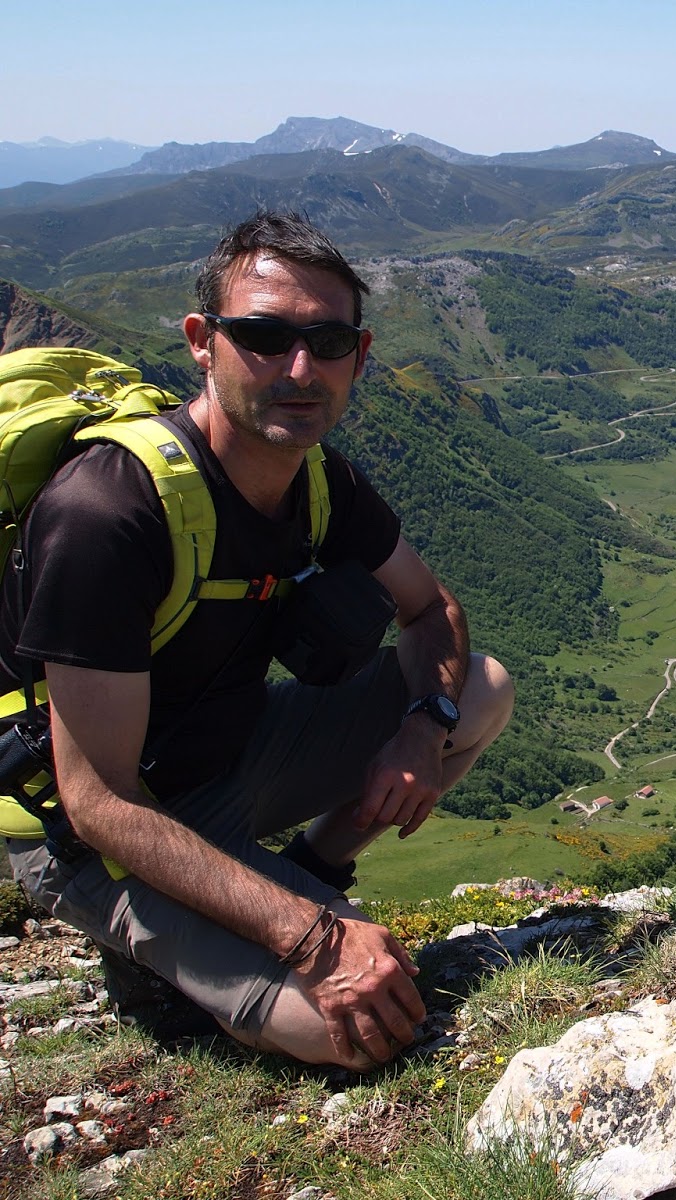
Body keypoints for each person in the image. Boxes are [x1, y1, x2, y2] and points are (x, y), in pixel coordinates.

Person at [1, 211, 514, 1070]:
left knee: (481, 690)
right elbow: (97, 799)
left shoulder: (320, 482)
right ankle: (162, 958)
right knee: (354, 1031)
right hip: (95, 827)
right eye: (265, 337)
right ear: (203, 343)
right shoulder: (109, 515)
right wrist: (310, 935)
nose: (301, 368)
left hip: (228, 756)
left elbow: (433, 613)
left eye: (330, 339)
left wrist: (422, 728)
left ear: (362, 352)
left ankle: (312, 866)